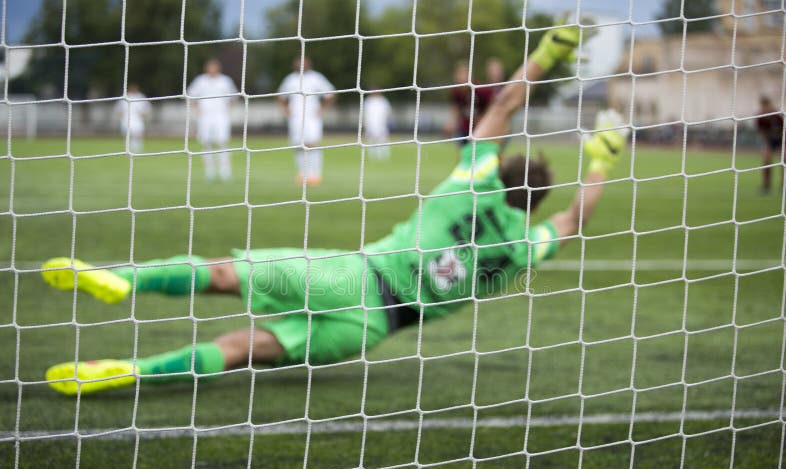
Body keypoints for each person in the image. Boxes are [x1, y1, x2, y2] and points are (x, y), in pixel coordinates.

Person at [38, 24, 628, 396]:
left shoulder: (470, 182)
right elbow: (576, 220)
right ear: (537, 202)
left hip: (353, 275)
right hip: (373, 328)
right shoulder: (524, 248)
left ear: (499, 169)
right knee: (244, 349)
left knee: (223, 275)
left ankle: (121, 280)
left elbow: (501, 106)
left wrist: (547, 53)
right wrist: (601, 160)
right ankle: (128, 371)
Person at [277, 56, 336, 187]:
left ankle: (315, 174)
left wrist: (322, 109)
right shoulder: (290, 79)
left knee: (313, 143)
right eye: (298, 62)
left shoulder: (316, 78)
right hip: (295, 118)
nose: (301, 64)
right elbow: (281, 96)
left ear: (309, 63)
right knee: (298, 145)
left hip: (312, 117)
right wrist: (286, 110)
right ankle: (303, 174)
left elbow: (330, 94)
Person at [187, 59, 239, 182]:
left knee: (222, 142)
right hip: (205, 116)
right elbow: (190, 95)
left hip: (221, 116)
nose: (212, 69)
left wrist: (227, 110)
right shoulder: (200, 81)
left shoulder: (225, 81)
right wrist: (198, 111)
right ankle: (209, 172)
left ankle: (225, 172)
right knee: (206, 143)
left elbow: (234, 96)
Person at [444, 61, 494, 145]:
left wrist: (484, 119)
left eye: (464, 74)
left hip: (480, 127)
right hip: (464, 127)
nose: (461, 78)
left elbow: (491, 105)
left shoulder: (481, 90)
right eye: (459, 75)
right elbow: (456, 108)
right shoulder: (456, 91)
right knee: (463, 151)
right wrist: (451, 123)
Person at [756, 96, 786, 193]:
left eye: (766, 106)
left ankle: (785, 186)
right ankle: (766, 186)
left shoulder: (777, 115)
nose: (764, 108)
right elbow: (761, 131)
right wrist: (767, 142)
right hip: (770, 140)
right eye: (763, 106)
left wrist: (785, 141)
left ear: (770, 105)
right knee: (766, 159)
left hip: (782, 140)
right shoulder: (760, 117)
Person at [114, 83, 151, 154]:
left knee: (138, 134)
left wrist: (142, 115)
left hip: (137, 119)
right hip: (126, 119)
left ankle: (137, 150)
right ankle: (128, 150)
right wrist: (122, 116)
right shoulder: (125, 97)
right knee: (128, 135)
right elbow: (118, 109)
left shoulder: (141, 97)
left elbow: (147, 109)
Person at [363, 89, 393, 160]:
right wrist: (365, 123)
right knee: (371, 139)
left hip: (381, 123)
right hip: (370, 123)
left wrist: (385, 120)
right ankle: (372, 155)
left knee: (383, 139)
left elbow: (387, 111)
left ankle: (383, 155)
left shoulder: (383, 101)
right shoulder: (368, 101)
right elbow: (365, 113)